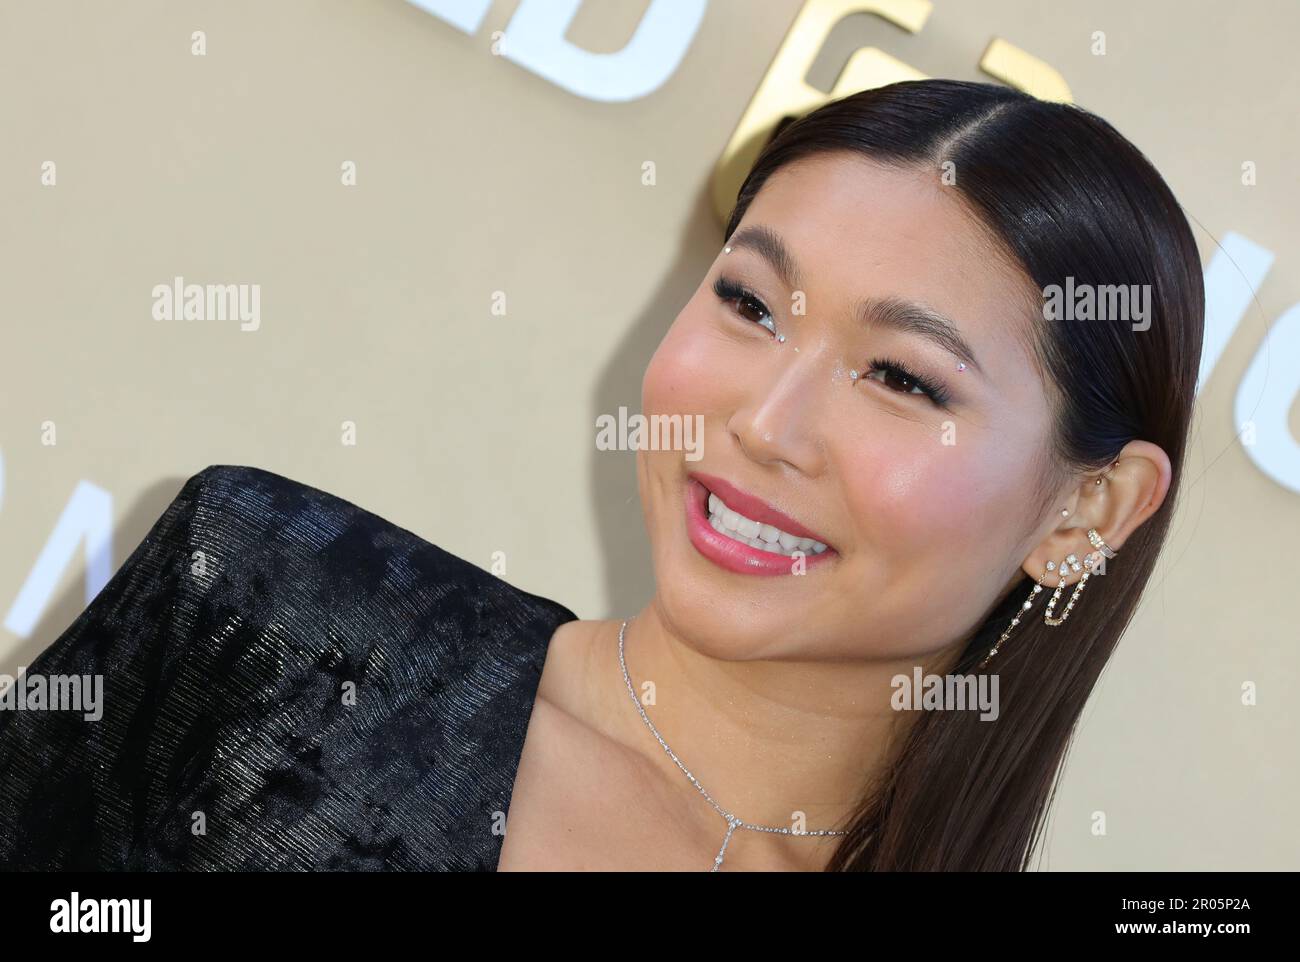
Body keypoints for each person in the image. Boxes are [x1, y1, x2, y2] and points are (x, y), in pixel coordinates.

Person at [0, 79, 1204, 872]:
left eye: (899, 377)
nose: (764, 423)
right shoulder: (267, 604)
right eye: (746, 302)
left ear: (1082, 509)